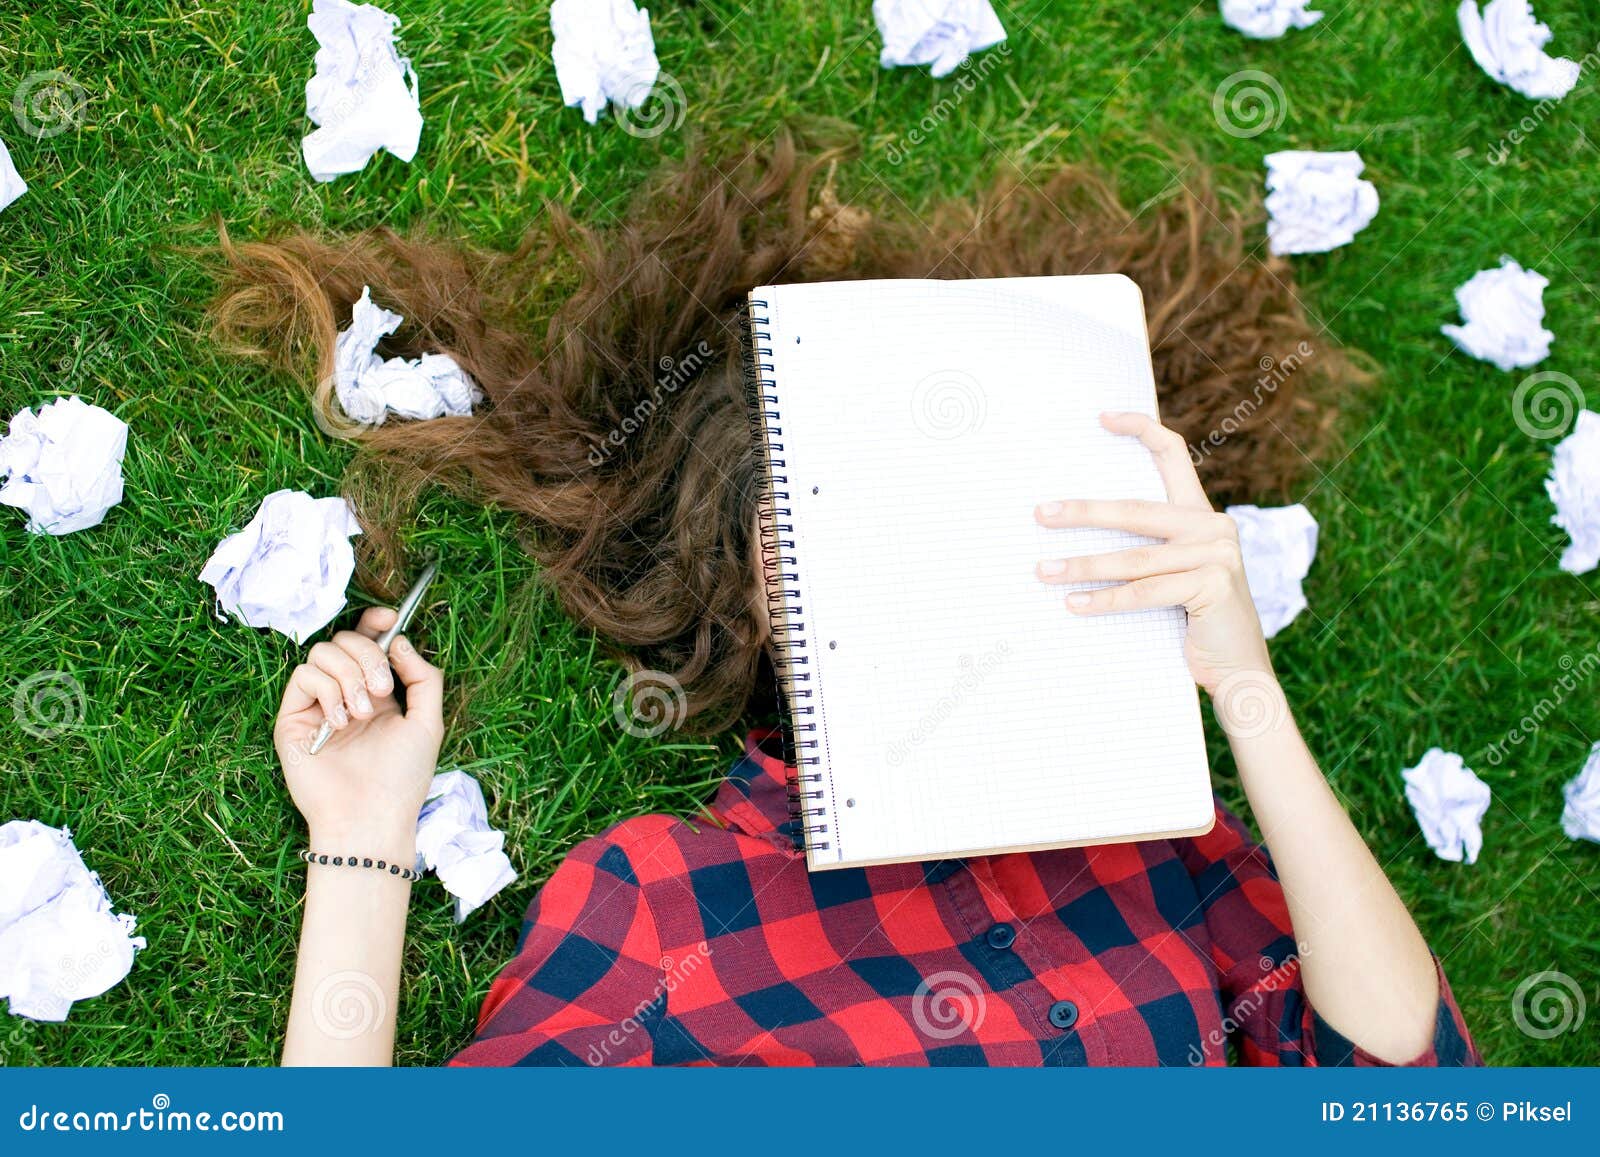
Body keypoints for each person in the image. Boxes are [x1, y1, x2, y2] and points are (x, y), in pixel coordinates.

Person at [214, 135, 1478, 1066]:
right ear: (754, 585)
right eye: (819, 512)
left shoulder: (1150, 836)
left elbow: (1410, 1079)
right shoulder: (664, 902)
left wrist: (1243, 686)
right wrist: (366, 833)